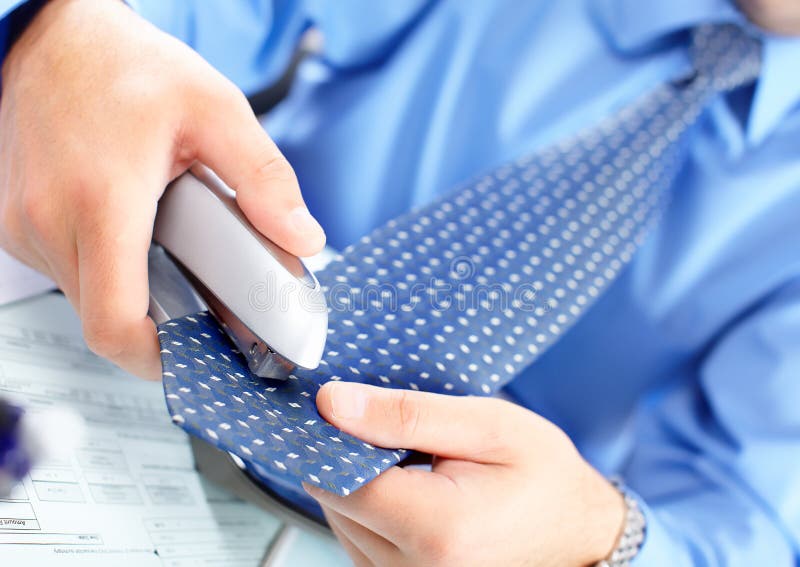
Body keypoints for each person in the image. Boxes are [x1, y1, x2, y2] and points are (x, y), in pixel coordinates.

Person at [0, 0, 798, 564]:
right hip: (127, 305)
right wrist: (59, 29)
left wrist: (604, 539)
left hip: (427, 542)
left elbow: (754, 516)